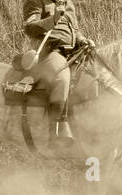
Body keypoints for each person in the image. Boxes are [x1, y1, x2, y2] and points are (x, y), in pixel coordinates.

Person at [19, 0, 84, 140]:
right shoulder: (36, 1)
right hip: (50, 51)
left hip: (73, 52)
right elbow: (30, 27)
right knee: (62, 77)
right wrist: (53, 19)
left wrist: (83, 40)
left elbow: (75, 30)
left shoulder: (68, 3)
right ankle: (57, 128)